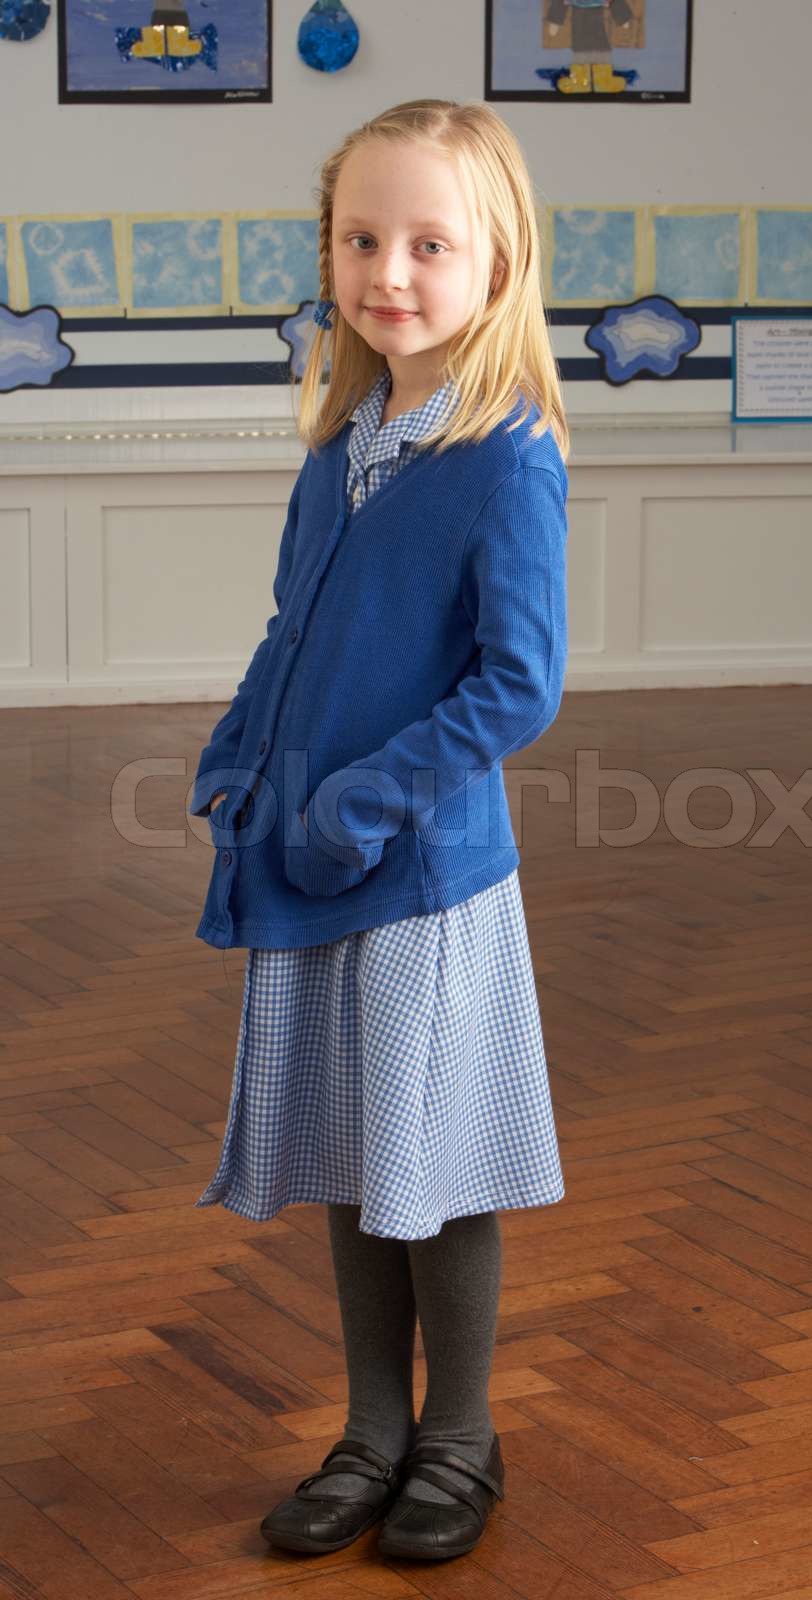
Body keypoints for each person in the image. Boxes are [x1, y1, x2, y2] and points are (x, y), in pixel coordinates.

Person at [186, 98, 570, 1563]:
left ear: (495, 263)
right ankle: (371, 1432)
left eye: (426, 242)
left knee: (435, 1168)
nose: (386, 271)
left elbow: (515, 683)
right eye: (360, 238)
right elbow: (297, 627)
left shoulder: (504, 454)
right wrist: (240, 748)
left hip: (416, 876)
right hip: (303, 861)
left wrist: (360, 798)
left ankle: (458, 1441)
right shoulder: (343, 437)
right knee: (356, 1157)